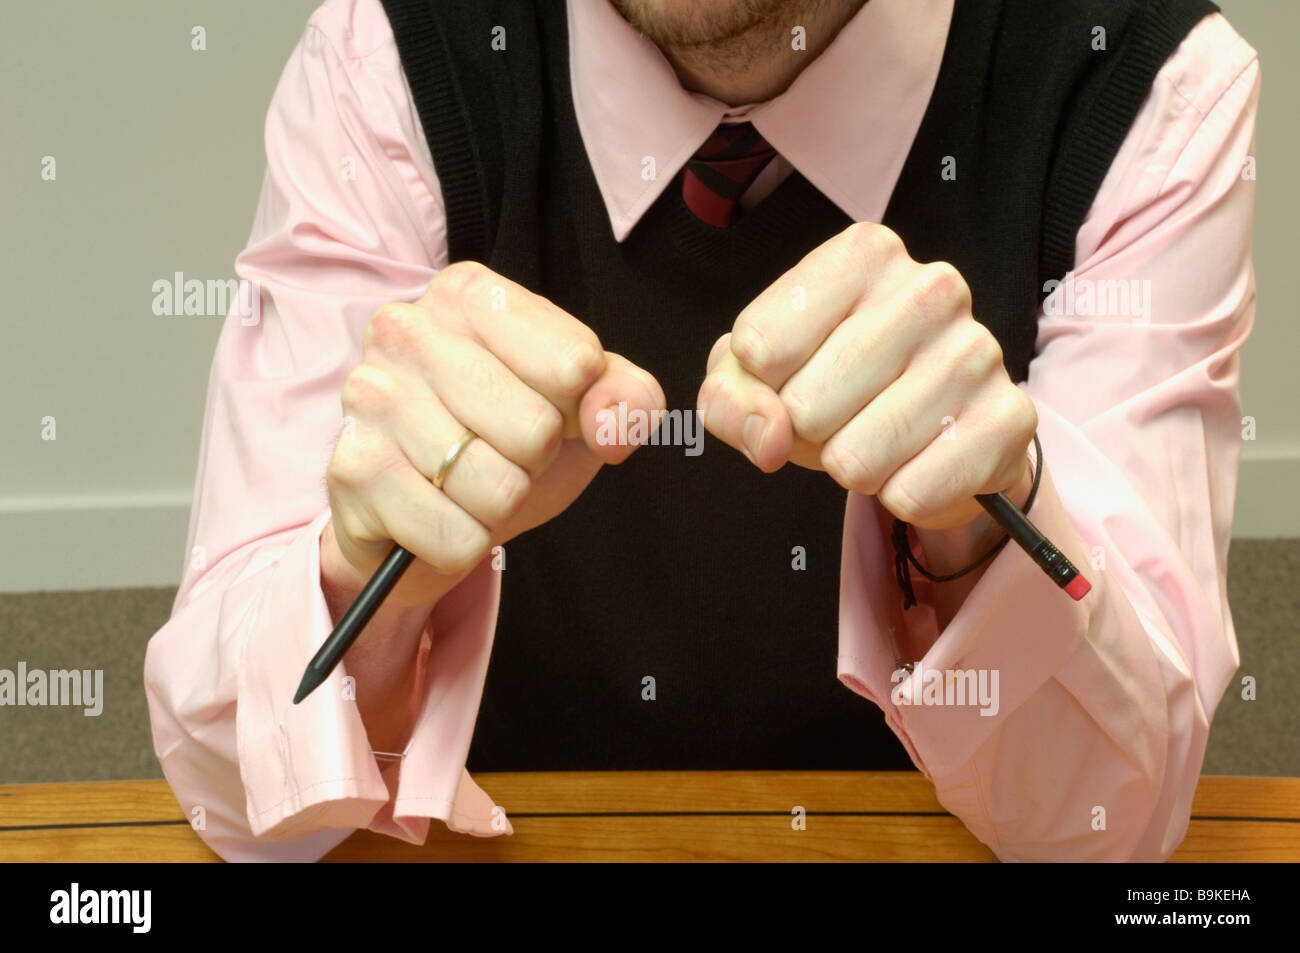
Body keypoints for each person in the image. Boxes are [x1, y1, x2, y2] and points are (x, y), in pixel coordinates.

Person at [144, 0, 1259, 861]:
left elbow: (1114, 820)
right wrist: (361, 578)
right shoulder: (389, 57)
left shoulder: (1144, 81)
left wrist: (976, 533)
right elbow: (238, 805)